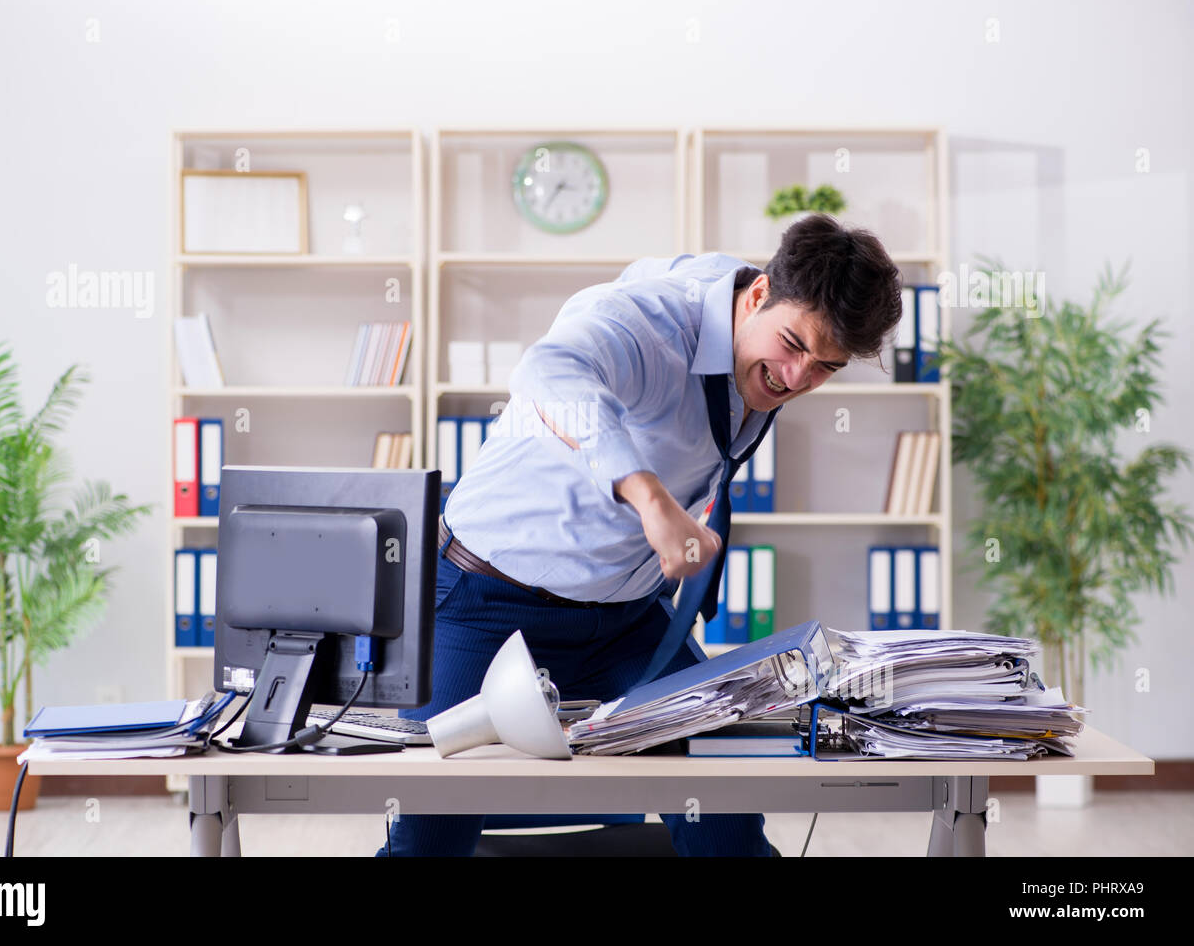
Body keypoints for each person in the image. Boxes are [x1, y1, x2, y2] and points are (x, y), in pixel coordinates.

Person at [380, 214, 902, 856]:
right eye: (792, 345)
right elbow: (552, 373)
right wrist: (648, 496)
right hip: (484, 598)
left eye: (825, 367)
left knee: (725, 818)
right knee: (433, 832)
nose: (796, 378)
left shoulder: (747, 319)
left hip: (628, 621)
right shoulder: (652, 323)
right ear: (759, 294)